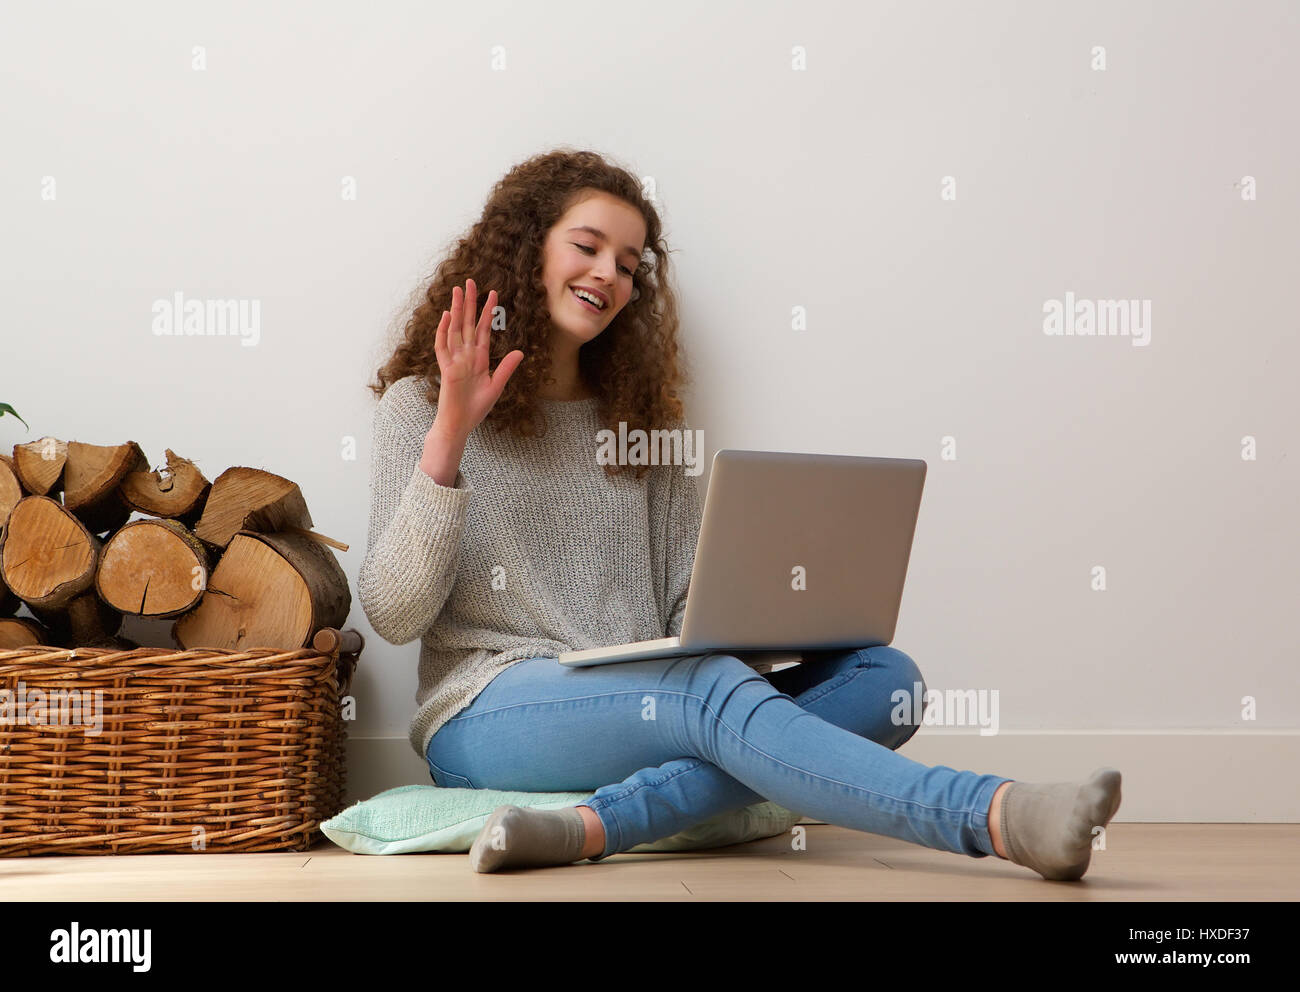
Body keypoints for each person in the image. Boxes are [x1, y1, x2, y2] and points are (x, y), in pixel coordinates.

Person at [361, 148, 1122, 880]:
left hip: (653, 698)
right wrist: (449, 441)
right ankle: (996, 815)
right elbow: (395, 613)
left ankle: (599, 825)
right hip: (487, 715)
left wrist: (760, 619)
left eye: (629, 265)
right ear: (527, 249)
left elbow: (690, 604)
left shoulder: (639, 431)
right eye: (588, 246)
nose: (608, 275)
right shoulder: (420, 409)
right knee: (703, 690)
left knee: (887, 677)